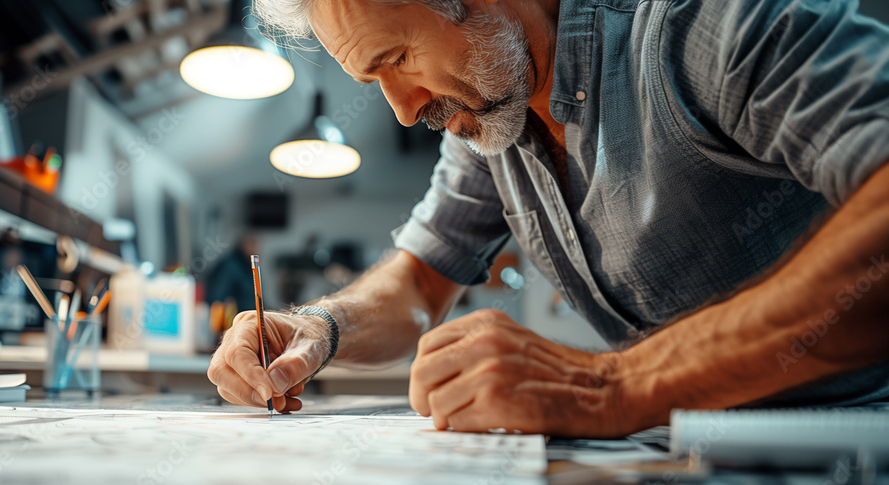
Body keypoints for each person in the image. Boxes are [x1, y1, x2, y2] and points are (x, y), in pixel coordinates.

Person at [208, 0, 889, 437]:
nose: (404, 110)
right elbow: (417, 285)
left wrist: (615, 384)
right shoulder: (492, 118)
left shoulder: (704, 22)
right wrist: (319, 328)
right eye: (374, 79)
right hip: (695, 466)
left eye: (401, 59)